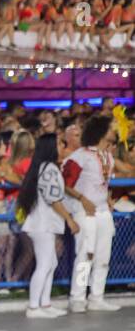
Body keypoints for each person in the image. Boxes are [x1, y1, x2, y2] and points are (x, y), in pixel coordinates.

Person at [63, 115, 120, 312]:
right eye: (111, 127)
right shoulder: (79, 156)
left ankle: (97, 297)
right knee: (85, 256)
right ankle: (77, 298)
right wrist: (82, 199)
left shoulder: (108, 156)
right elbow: (64, 183)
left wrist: (108, 199)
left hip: (103, 211)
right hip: (84, 212)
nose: (115, 130)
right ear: (102, 132)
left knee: (103, 256)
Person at [17, 151, 79, 319]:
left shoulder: (45, 168)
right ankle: (33, 307)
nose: (62, 148)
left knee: (51, 263)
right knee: (44, 264)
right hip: (42, 224)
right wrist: (69, 219)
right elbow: (53, 199)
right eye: (59, 144)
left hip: (45, 223)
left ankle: (44, 303)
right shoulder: (48, 169)